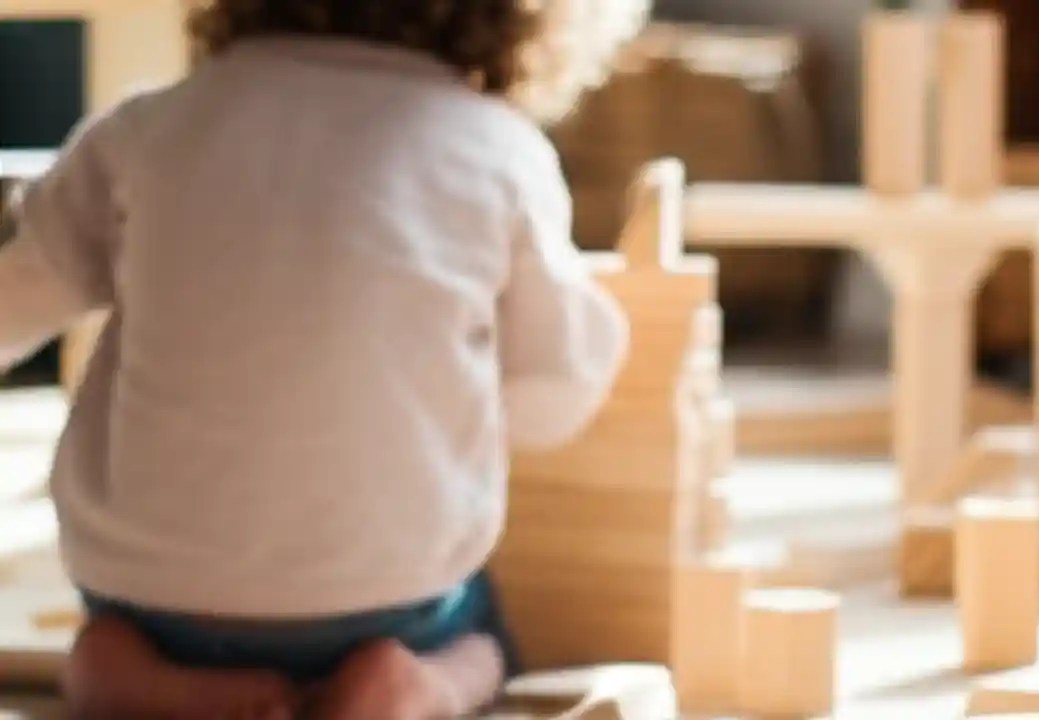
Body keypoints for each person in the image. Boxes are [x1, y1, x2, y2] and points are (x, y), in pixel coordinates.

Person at [0, 0, 646, 716]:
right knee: (488, 643)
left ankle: (131, 675)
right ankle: (409, 686)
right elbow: (558, 396)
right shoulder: (500, 150)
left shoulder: (147, 129)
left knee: (116, 627)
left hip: (150, 599)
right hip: (382, 609)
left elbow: (16, 298)